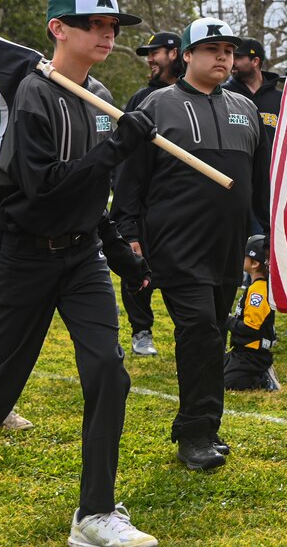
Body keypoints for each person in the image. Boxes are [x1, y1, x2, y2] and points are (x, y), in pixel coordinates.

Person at [0, 0, 159, 547]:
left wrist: (118, 251)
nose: (108, 34)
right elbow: (42, 186)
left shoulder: (99, 97)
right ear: (58, 29)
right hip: (24, 257)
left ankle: (94, 514)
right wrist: (116, 149)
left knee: (108, 371)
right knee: (1, 381)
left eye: (112, 27)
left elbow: (88, 193)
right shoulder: (31, 94)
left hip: (83, 258)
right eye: (95, 25)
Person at [114, 17, 270, 472]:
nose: (223, 56)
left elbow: (257, 185)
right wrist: (130, 235)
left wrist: (260, 233)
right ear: (186, 55)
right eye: (211, 48)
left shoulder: (246, 109)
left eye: (228, 49)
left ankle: (208, 424)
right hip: (178, 244)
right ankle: (194, 432)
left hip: (229, 246)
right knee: (199, 328)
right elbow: (129, 180)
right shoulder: (155, 105)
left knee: (215, 330)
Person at [116, 31, 183, 359]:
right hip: (145, 205)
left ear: (173, 53)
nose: (149, 60)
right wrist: (126, 219)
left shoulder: (193, 96)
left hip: (182, 205)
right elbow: (125, 160)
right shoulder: (142, 99)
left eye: (154, 53)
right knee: (138, 267)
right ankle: (141, 329)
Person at [222, 235, 279, 392]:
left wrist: (224, 319)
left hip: (253, 356)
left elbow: (250, 328)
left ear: (254, 263)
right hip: (241, 351)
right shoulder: (254, 287)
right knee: (210, 373)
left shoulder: (259, 292)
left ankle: (262, 376)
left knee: (228, 383)